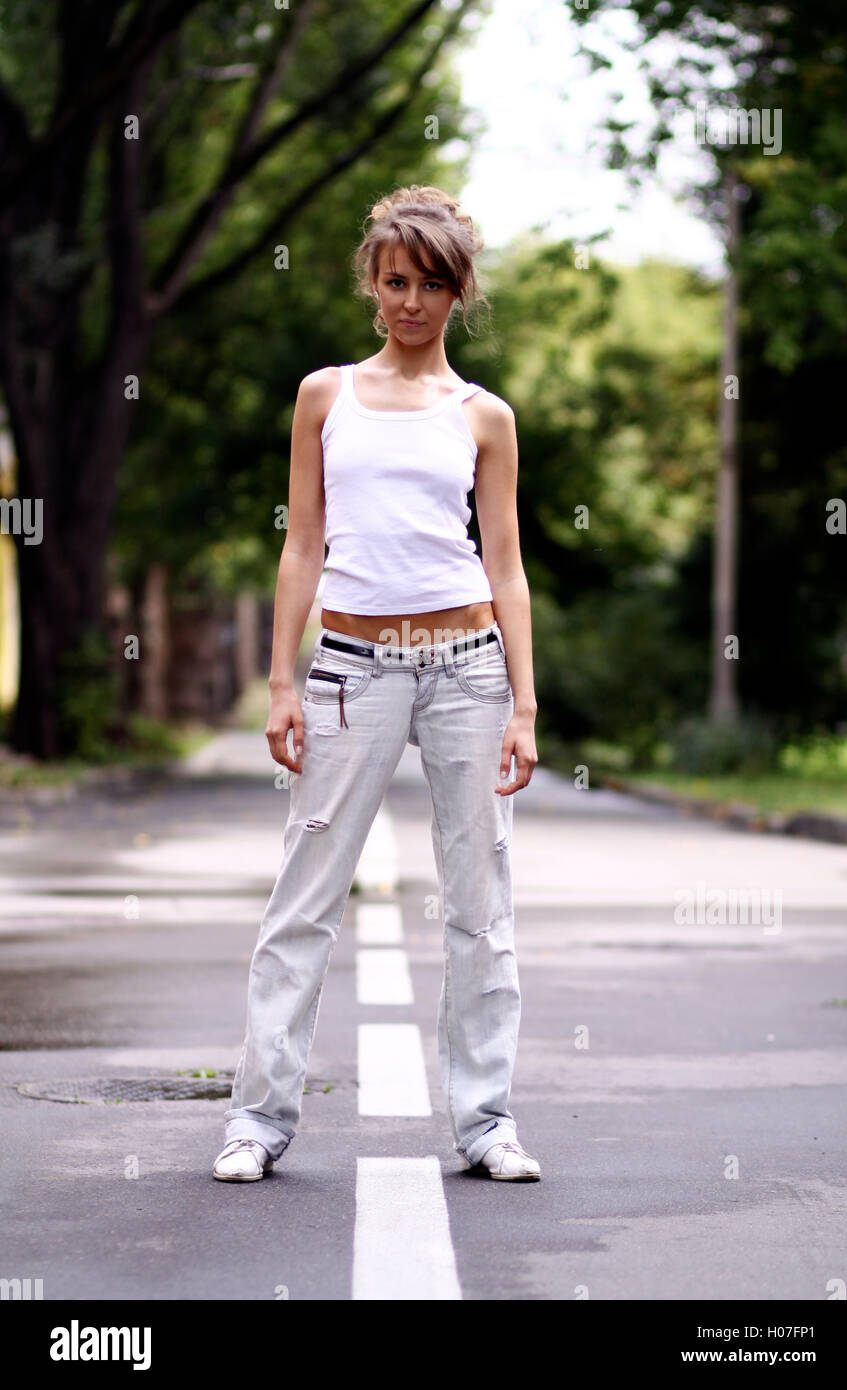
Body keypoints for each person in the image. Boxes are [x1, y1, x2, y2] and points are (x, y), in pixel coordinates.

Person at [213, 184, 540, 1184]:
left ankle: (485, 1124)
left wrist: (523, 705)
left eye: (430, 284)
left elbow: (506, 565)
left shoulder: (484, 418)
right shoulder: (325, 396)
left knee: (479, 905)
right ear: (372, 284)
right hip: (349, 671)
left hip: (465, 670)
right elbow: (300, 547)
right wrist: (280, 681)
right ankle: (256, 1124)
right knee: (304, 899)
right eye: (395, 281)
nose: (410, 301)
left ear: (457, 294)